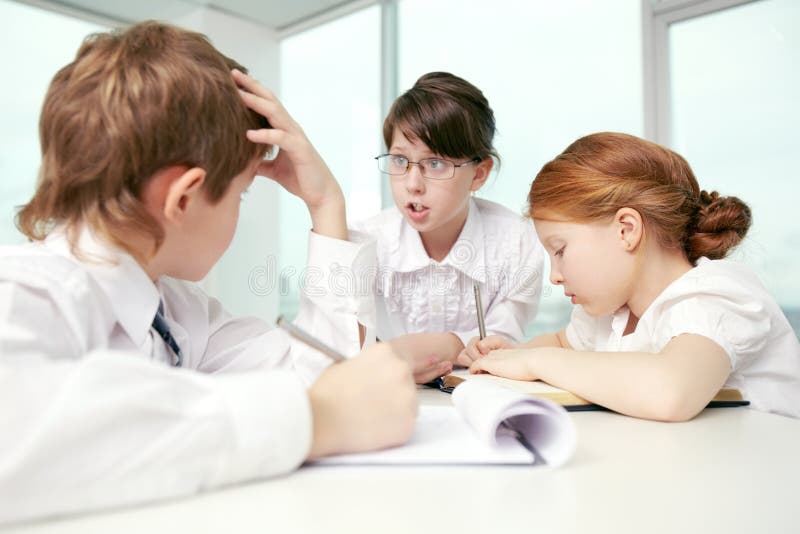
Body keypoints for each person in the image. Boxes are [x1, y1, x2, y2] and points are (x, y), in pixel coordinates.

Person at [0, 21, 416, 523]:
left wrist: (326, 205)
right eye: (241, 194)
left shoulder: (175, 311)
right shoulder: (23, 293)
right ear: (183, 198)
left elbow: (326, 375)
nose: (240, 210)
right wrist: (312, 420)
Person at [460, 132, 800, 421]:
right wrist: (508, 355)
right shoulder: (610, 313)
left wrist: (536, 361)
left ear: (626, 230)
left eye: (560, 250)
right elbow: (563, 344)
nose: (555, 276)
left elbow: (671, 392)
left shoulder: (716, 294)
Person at [350, 72, 545, 383]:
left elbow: (501, 342)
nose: (412, 184)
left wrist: (449, 345)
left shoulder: (517, 241)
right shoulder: (366, 241)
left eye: (435, 163)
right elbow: (349, 346)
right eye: (399, 160)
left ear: (479, 174)